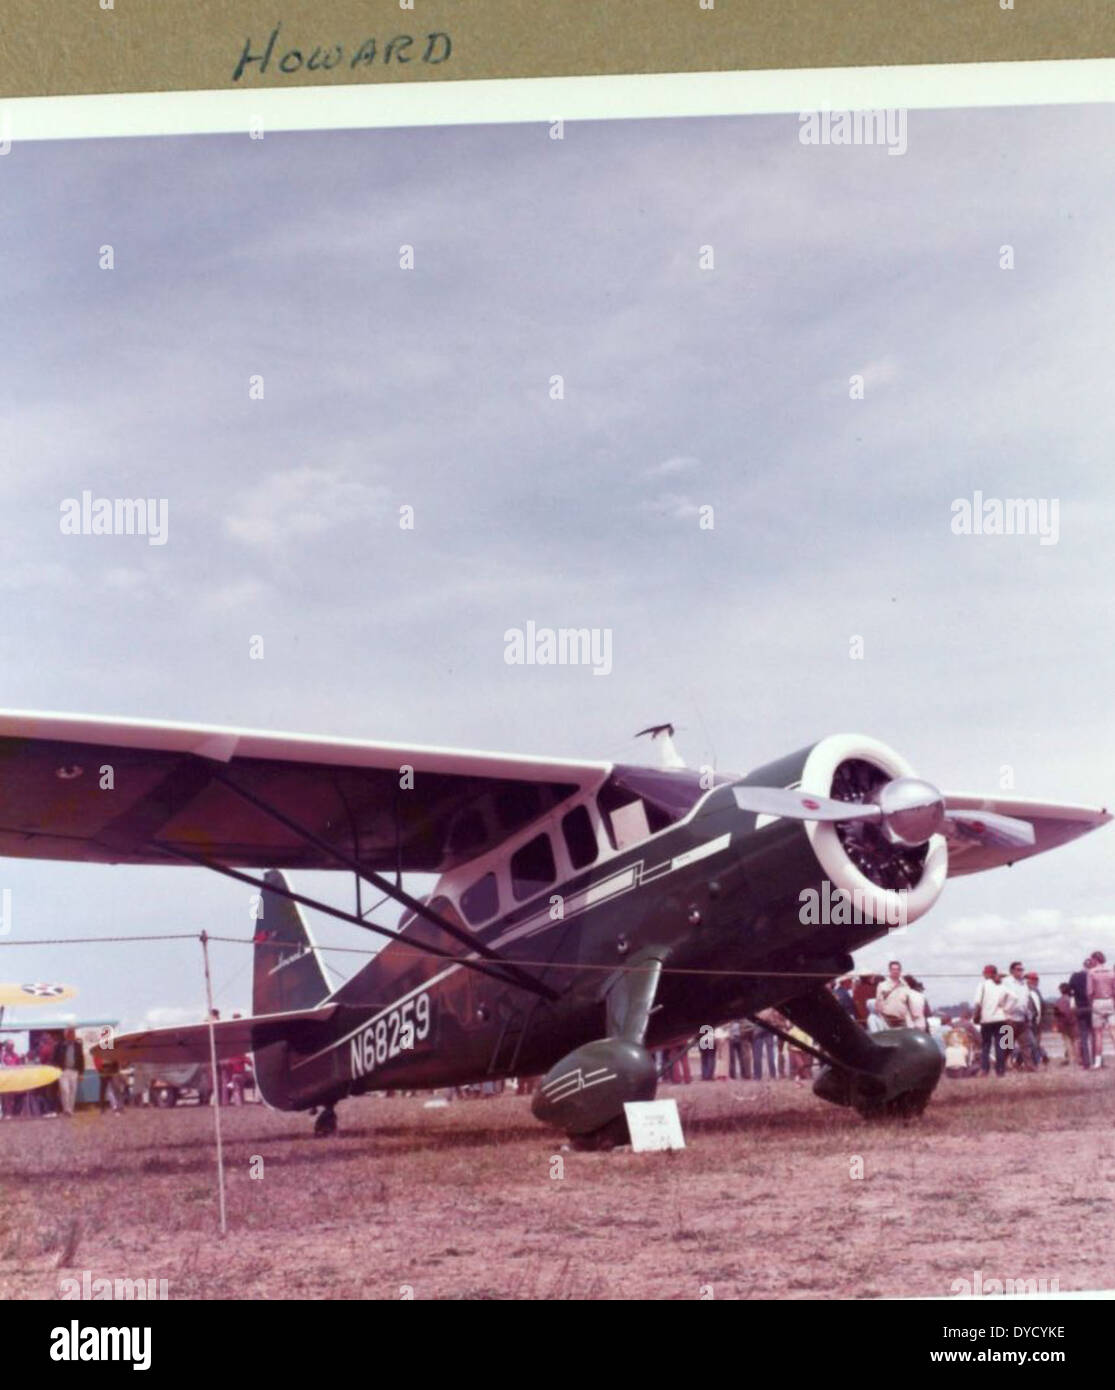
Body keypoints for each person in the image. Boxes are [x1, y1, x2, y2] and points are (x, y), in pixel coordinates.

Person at [973, 965, 1012, 1077]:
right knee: (1000, 1045)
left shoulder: (982, 985)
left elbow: (977, 1003)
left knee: (986, 1045)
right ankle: (1000, 1070)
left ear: (987, 974)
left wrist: (975, 1016)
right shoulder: (1001, 986)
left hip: (986, 1019)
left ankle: (985, 1069)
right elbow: (1014, 998)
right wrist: (1007, 1009)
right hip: (1001, 1018)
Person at [1000, 961, 1038, 1071]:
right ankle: (1001, 1065)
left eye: (1022, 969)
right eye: (1018, 969)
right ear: (1012, 971)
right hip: (1009, 1018)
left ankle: (1030, 1066)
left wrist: (1028, 1016)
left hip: (1022, 1019)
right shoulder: (1005, 982)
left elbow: (1025, 1000)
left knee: (1026, 1045)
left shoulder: (1024, 984)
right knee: (1007, 1045)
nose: (1021, 971)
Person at [1087, 950, 1115, 1069]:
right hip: (1109, 1001)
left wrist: (1092, 1003)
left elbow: (1089, 992)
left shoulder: (1091, 972)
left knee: (1098, 1034)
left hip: (1097, 1002)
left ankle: (1097, 1062)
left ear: (1095, 959)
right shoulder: (1111, 972)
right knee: (1113, 1031)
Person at [1068, 955, 1095, 1069]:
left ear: (1083, 965)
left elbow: (1069, 990)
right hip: (1093, 1007)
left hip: (1080, 1007)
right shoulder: (1094, 976)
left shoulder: (1075, 976)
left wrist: (1075, 997)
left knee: (1083, 1036)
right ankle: (1097, 1060)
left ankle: (1086, 1062)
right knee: (1095, 1035)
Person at [52, 1028, 86, 1116]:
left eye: (73, 1033)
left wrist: (81, 1073)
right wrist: (56, 1069)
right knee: (65, 1090)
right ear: (65, 1035)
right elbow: (54, 1059)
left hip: (74, 1071)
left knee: (73, 1091)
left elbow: (81, 1059)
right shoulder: (60, 1045)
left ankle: (70, 1110)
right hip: (63, 1071)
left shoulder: (78, 1045)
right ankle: (66, 1109)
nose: (71, 1035)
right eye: (69, 1033)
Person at [876, 961, 911, 1028]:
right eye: (893, 969)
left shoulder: (906, 986)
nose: (896, 971)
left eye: (898, 969)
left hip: (903, 1020)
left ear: (900, 971)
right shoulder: (882, 985)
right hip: (888, 1020)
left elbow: (909, 1003)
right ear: (889, 970)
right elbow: (878, 1004)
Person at [1025, 972, 1049, 1066]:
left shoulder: (1035, 991)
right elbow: (1043, 1005)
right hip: (1030, 1020)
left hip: (1033, 1020)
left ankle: (1036, 1060)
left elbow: (1042, 1006)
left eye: (1035, 979)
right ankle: (1039, 1057)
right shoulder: (1031, 991)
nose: (1035, 981)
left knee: (1031, 1042)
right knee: (1031, 1042)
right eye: (1033, 979)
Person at [1053, 983, 1077, 1066]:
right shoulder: (1073, 1000)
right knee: (1074, 1041)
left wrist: (1056, 1024)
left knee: (1067, 1042)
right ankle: (1077, 1058)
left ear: (1061, 990)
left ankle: (1071, 1059)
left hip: (1063, 1024)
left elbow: (1056, 1013)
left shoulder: (1059, 1001)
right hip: (1073, 1023)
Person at [752, 1010, 778, 1079]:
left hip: (759, 1028)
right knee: (770, 1053)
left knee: (758, 1054)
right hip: (768, 1027)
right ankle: (773, 1075)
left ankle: (757, 1076)